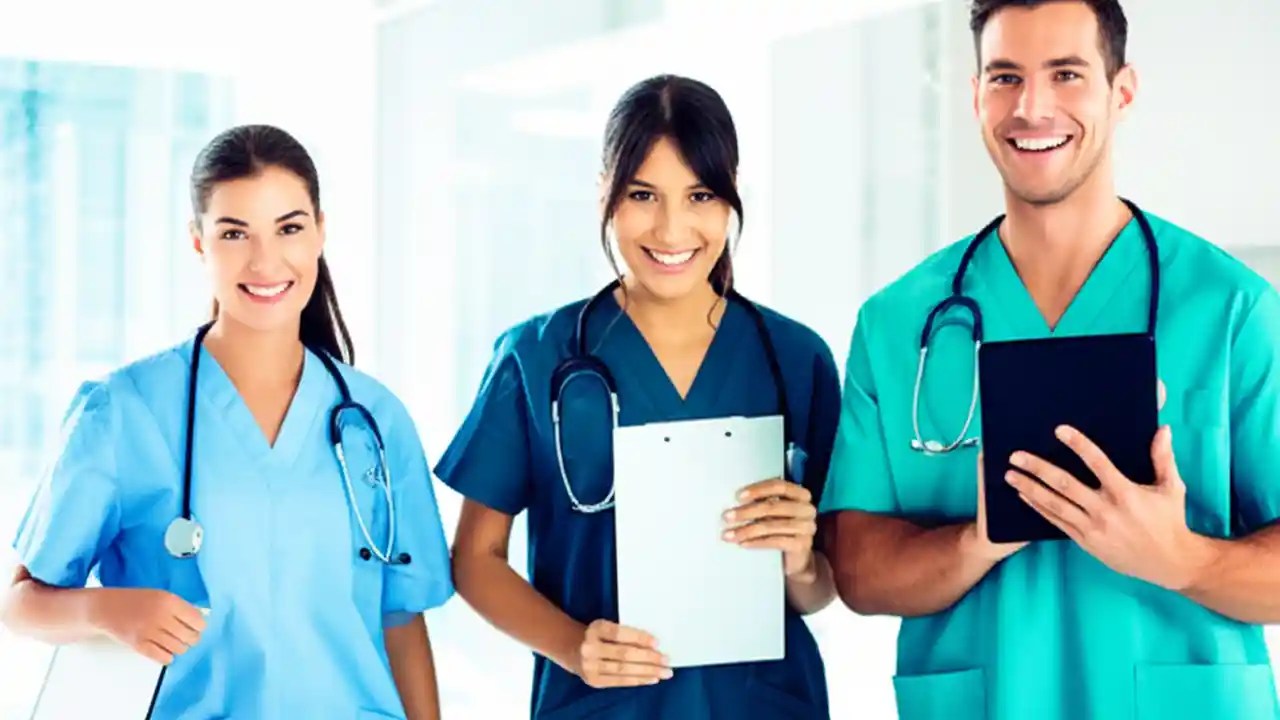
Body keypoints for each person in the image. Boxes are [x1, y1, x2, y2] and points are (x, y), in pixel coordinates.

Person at [820, 1, 1280, 718]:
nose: (1031, 107)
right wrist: (975, 542)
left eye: (1066, 74)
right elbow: (857, 569)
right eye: (1005, 77)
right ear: (976, 95)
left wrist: (1181, 558)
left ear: (1121, 91)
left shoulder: (1230, 309)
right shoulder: (897, 325)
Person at [0, 124, 453, 719]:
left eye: (289, 228)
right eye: (235, 233)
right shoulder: (125, 410)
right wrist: (107, 610)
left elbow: (401, 619)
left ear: (320, 231)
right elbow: (21, 602)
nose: (265, 261)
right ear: (198, 241)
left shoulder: (374, 419)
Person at [438, 74, 840, 719]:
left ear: (731, 195)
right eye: (643, 195)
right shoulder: (536, 357)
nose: (672, 228)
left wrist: (799, 562)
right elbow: (475, 560)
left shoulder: (795, 359)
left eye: (700, 195)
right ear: (605, 193)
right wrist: (572, 647)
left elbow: (822, 589)